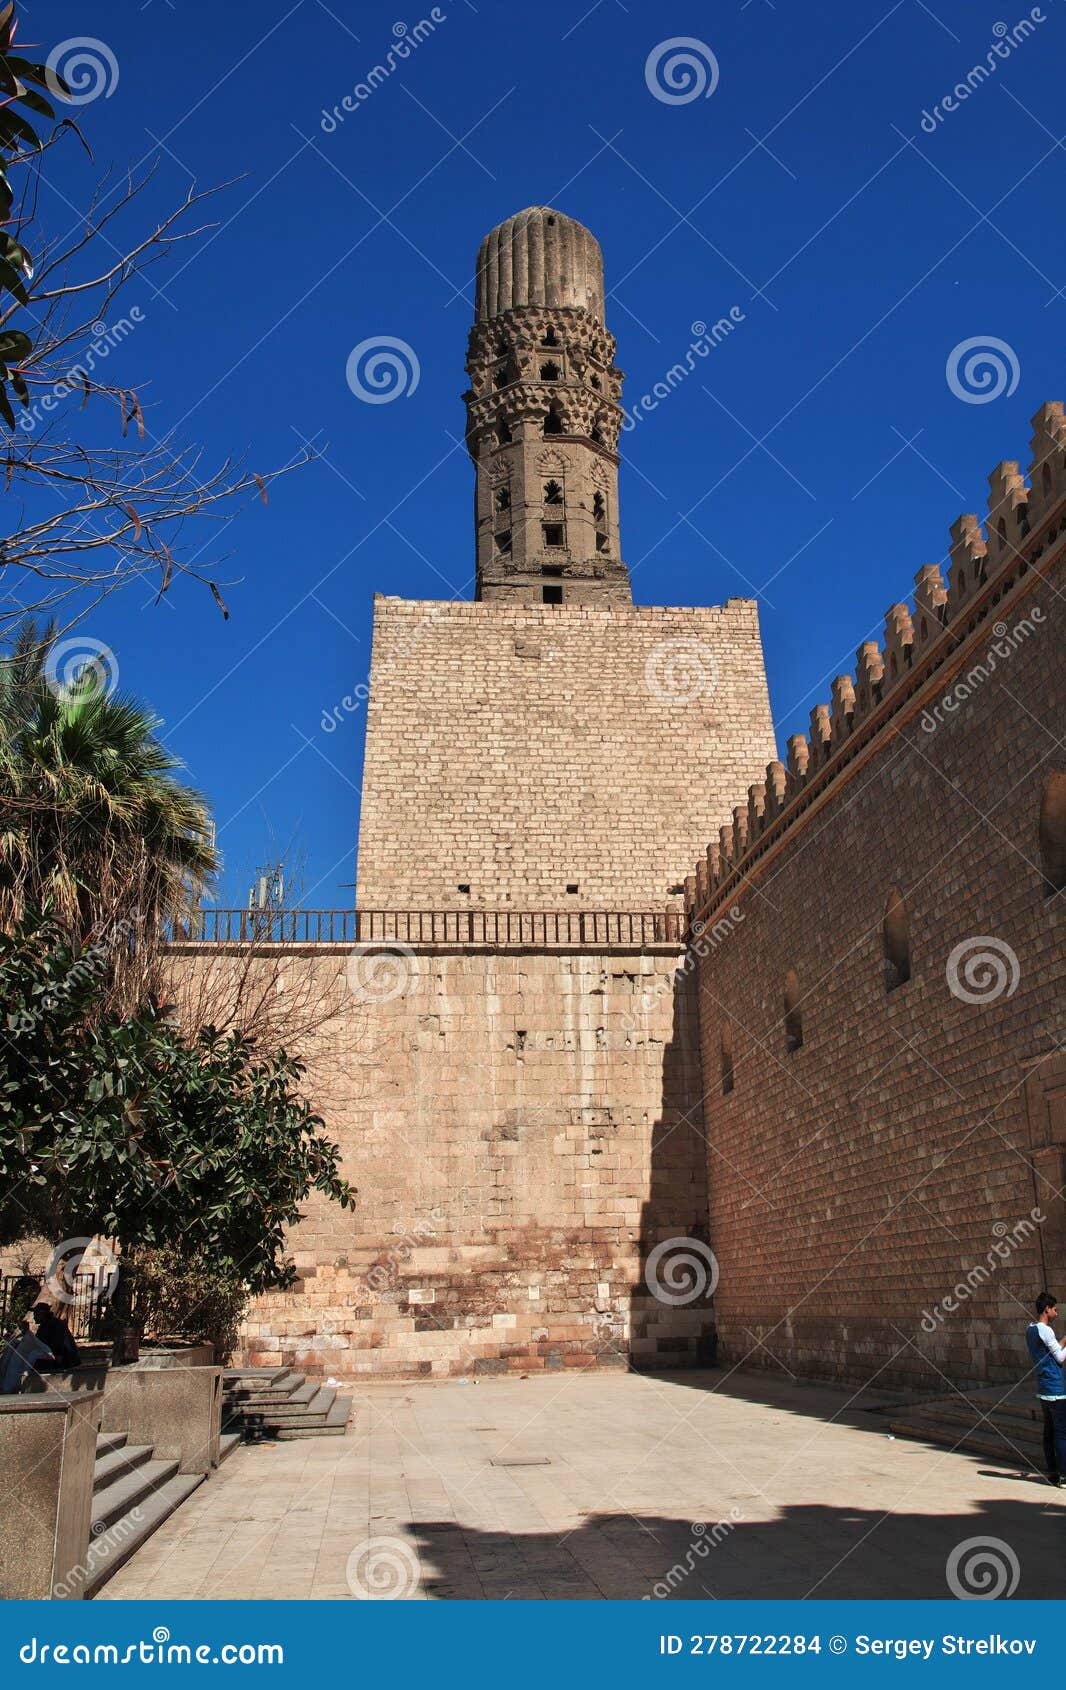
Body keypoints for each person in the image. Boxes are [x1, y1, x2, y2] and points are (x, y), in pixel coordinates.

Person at [1025, 1292, 1066, 1487]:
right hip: (1055, 1387)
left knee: (1049, 1433)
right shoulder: (1046, 1330)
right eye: (1055, 1309)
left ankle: (1053, 1473)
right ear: (1046, 1309)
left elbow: (1050, 1351)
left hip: (1043, 1387)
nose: (1057, 1313)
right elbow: (1060, 1357)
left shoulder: (1030, 1329)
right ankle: (1064, 1474)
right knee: (1060, 1433)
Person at [30, 1303, 80, 1370]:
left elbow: (44, 1343)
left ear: (41, 1314)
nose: (34, 1317)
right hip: (63, 1356)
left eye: (35, 1314)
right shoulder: (49, 1323)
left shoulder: (50, 1324)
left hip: (64, 1359)